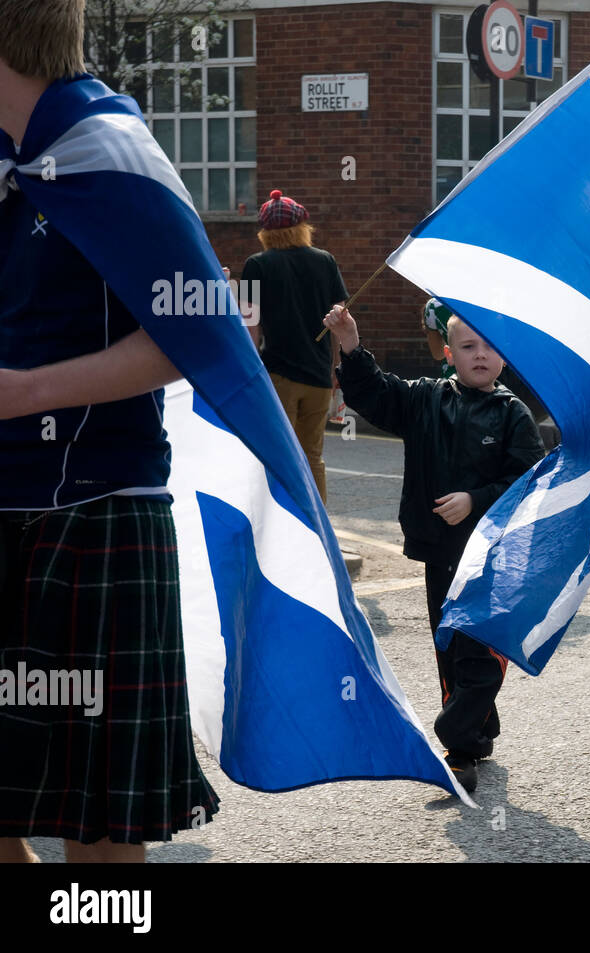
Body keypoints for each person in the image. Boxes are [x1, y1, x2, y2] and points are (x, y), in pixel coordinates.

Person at [0, 0, 218, 862]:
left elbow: (194, 328)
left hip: (98, 511)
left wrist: (24, 393)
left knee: (97, 830)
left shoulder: (110, 148)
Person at [325, 303, 545, 792]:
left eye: (489, 348)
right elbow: (373, 395)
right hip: (440, 553)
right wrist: (351, 344)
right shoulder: (424, 400)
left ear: (504, 359)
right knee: (450, 650)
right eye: (468, 347)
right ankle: (479, 729)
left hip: (491, 559)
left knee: (481, 655)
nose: (480, 355)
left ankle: (457, 743)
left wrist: (476, 500)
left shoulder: (514, 415)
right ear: (448, 353)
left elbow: (531, 483)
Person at [241, 190, 347, 502]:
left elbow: (251, 327)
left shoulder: (255, 265)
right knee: (312, 456)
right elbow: (340, 320)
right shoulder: (325, 261)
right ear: (303, 228)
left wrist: (250, 373)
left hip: (277, 377)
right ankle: (318, 533)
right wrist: (337, 369)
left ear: (265, 233)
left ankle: (279, 533)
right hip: (317, 378)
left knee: (276, 456)